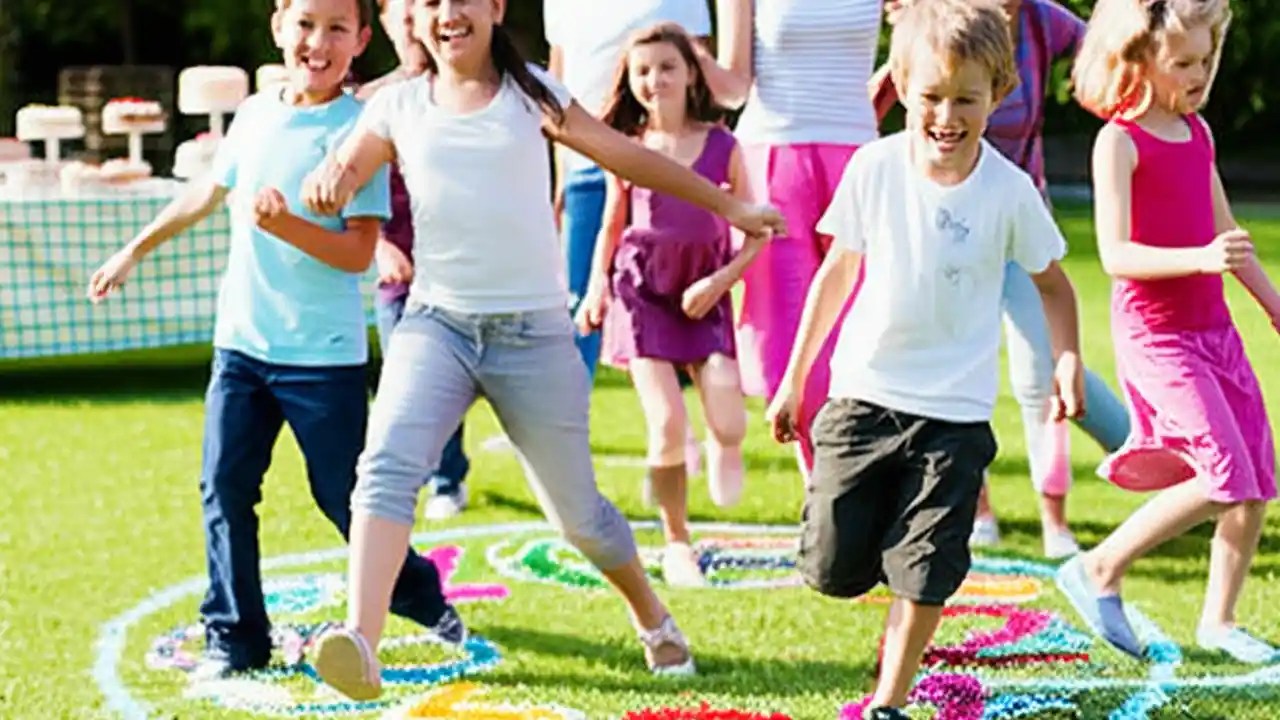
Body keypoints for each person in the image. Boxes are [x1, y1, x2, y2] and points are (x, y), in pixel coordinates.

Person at [298, 0, 785, 701]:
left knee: (577, 517)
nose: (447, 15)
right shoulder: (398, 106)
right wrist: (332, 181)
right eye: (430, 3)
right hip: (438, 325)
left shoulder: (533, 93)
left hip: (532, 333)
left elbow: (629, 157)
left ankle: (651, 615)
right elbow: (348, 163)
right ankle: (361, 644)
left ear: (495, 8)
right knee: (384, 468)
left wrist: (731, 207)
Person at [85, 0, 461, 680]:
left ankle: (415, 589)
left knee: (344, 499)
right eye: (305, 24)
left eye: (337, 29)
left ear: (361, 41)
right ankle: (237, 638)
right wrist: (131, 251)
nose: (318, 42)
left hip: (321, 359)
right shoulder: (256, 111)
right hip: (241, 348)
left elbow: (357, 254)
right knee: (225, 486)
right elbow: (207, 192)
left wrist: (286, 226)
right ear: (278, 28)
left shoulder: (361, 131)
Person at [766, 0, 1084, 715]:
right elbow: (837, 272)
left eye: (966, 99)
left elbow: (1055, 285)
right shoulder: (875, 167)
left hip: (955, 412)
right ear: (902, 87)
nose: (946, 116)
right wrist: (795, 381)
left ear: (996, 96)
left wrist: (1065, 358)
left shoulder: (1010, 191)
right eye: (931, 97)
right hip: (863, 397)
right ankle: (881, 542)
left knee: (928, 571)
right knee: (834, 569)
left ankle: (889, 698)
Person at [1056, 0, 1280, 664]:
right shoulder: (1119, 141)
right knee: (1223, 474)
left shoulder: (1200, 133)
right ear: (1138, 57)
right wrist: (1199, 259)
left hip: (1214, 330)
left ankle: (1220, 621)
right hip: (1158, 339)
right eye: (1183, 62)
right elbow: (1116, 255)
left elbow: (1227, 235)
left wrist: (1270, 301)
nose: (1198, 73)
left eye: (1206, 60)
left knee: (1257, 480)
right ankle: (1098, 568)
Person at [873, 0, 1131, 558]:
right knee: (957, 365)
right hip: (944, 224)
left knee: (1044, 373)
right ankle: (974, 507)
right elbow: (883, 101)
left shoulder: (1044, 21)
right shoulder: (937, 19)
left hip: (1018, 218)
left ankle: (1056, 520)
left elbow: (1112, 55)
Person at [576, 22, 762, 586]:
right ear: (629, 82)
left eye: (666, 67)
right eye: (642, 71)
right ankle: (677, 542)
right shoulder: (628, 149)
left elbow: (755, 231)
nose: (655, 80)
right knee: (665, 423)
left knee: (728, 416)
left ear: (690, 74)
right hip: (641, 289)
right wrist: (595, 288)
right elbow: (611, 223)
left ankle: (723, 445)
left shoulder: (725, 146)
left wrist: (720, 283)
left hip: (704, 287)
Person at [698, 0, 885, 477]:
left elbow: (920, 43)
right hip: (775, 162)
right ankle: (823, 493)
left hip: (856, 159)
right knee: (792, 344)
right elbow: (734, 88)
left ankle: (863, 479)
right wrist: (687, 49)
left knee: (869, 330)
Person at [544, 0, 712, 381]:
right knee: (580, 304)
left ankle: (692, 432)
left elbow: (700, 78)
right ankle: (568, 425)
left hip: (662, 169)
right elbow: (558, 88)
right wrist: (559, 179)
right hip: (585, 168)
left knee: (673, 306)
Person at [359, 0, 471, 521]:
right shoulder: (371, 101)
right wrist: (380, 245)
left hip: (453, 266)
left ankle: (448, 478)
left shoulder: (464, 97)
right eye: (400, 20)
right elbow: (345, 189)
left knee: (450, 376)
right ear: (383, 25)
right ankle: (407, 477)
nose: (411, 30)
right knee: (403, 381)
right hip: (395, 270)